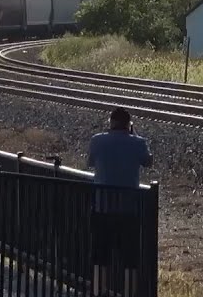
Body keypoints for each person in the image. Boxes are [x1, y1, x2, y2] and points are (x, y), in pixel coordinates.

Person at [85, 107, 151, 295]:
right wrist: (134, 134)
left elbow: (90, 162)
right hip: (128, 209)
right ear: (128, 124)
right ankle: (129, 291)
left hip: (102, 207)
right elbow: (148, 161)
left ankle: (99, 291)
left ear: (110, 122)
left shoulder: (97, 140)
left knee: (100, 256)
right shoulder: (139, 143)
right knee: (130, 258)